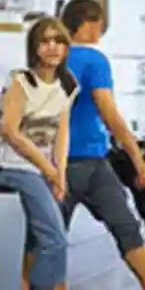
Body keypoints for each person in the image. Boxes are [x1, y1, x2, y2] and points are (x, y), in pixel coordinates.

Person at [57, 0, 145, 290]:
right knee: (126, 227)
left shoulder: (51, 59)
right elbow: (109, 113)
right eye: (99, 23)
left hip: (55, 162)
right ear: (86, 23)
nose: (101, 29)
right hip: (91, 161)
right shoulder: (93, 60)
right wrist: (137, 158)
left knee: (50, 237)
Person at [1, 18, 78, 290]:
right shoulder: (21, 82)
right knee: (55, 238)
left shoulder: (67, 86)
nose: (52, 47)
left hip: (43, 168)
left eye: (58, 41)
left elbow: (62, 134)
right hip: (14, 166)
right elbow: (10, 132)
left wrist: (61, 175)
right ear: (34, 48)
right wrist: (48, 169)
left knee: (39, 237)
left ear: (67, 48)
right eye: (44, 42)